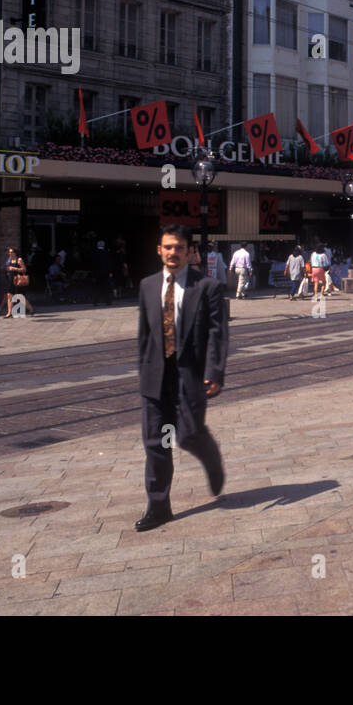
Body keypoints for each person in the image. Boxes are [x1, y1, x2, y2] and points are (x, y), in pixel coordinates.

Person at [134, 224, 226, 533]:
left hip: (191, 375)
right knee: (156, 442)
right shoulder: (147, 285)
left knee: (187, 434)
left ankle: (210, 456)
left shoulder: (207, 286)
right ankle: (158, 507)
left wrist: (214, 372)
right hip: (156, 376)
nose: (173, 252)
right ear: (159, 250)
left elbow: (217, 333)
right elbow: (144, 334)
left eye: (179, 247)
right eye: (168, 247)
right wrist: (143, 371)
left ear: (189, 251)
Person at [91, 240, 115, 306]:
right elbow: (109, 263)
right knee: (106, 287)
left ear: (97, 245)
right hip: (106, 273)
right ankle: (108, 301)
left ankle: (95, 301)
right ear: (103, 245)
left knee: (98, 287)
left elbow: (93, 265)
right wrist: (110, 272)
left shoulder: (95, 253)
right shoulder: (107, 253)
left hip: (98, 273)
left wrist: (93, 274)